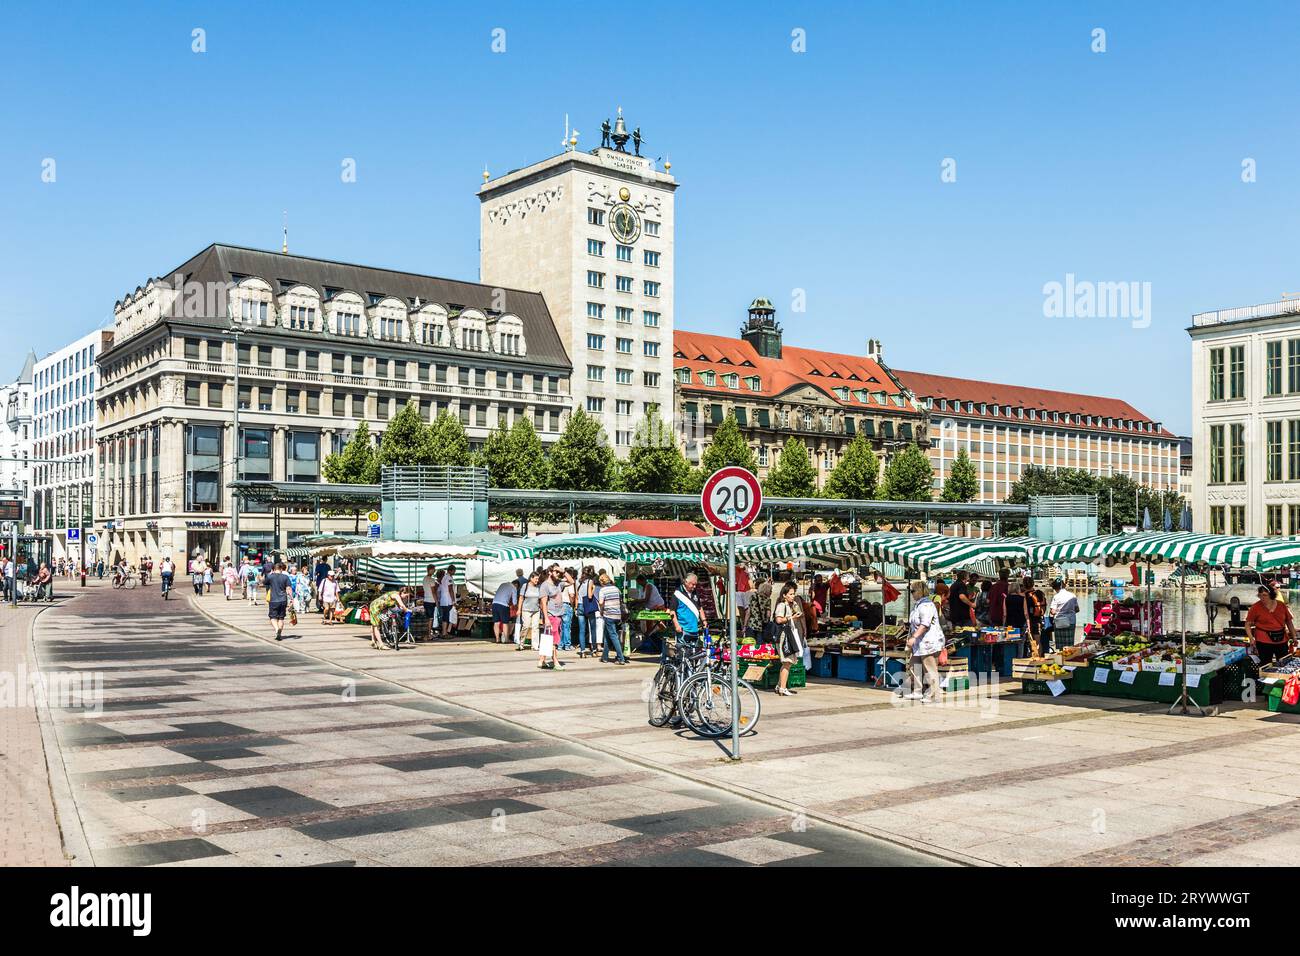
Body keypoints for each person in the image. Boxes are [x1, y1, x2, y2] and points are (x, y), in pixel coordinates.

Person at [903, 580, 945, 703]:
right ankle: (917, 691)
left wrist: (914, 637)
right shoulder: (918, 604)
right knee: (913, 665)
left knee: (929, 668)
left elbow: (925, 624)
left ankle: (933, 694)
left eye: (913, 591)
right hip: (919, 643)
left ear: (920, 591)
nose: (911, 593)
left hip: (928, 642)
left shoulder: (926, 605)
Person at [1246, 585, 1296, 665]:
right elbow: (1247, 624)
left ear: (1271, 595)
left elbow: (1289, 622)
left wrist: (1294, 637)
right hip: (1263, 640)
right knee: (1266, 664)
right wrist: (1251, 639)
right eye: (1260, 595)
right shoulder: (1255, 607)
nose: (1262, 598)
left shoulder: (1281, 605)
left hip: (1281, 639)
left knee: (1284, 663)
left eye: (1265, 595)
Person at [773, 581, 807, 697]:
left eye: (794, 594)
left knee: (788, 662)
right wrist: (791, 617)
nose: (793, 596)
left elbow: (798, 614)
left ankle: (779, 686)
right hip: (784, 636)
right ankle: (783, 688)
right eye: (791, 594)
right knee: (787, 662)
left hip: (788, 635)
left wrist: (795, 613)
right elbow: (778, 620)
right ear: (784, 595)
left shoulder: (789, 605)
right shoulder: (781, 605)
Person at [669, 572, 703, 664]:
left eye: (696, 584)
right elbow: (672, 611)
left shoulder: (695, 593)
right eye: (693, 584)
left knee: (694, 655)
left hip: (695, 629)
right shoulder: (677, 594)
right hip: (683, 629)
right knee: (683, 655)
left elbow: (700, 608)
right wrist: (676, 625)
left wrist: (704, 621)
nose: (694, 586)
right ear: (686, 582)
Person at [598, 571, 626, 664]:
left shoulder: (603, 590)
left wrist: (601, 611)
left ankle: (621, 658)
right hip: (617, 615)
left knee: (613, 636)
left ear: (602, 582)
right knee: (607, 635)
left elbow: (601, 603)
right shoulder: (616, 589)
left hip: (608, 615)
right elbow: (621, 601)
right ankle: (605, 657)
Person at [1047, 579, 1079, 652]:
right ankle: (1070, 660)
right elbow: (1077, 609)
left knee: (1061, 646)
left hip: (1059, 622)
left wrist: (1059, 612)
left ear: (1055, 588)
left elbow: (1052, 611)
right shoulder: (1072, 595)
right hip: (1071, 621)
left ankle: (1061, 659)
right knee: (1069, 645)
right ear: (1063, 585)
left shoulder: (1056, 597)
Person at [264, 562, 293, 641]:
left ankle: (277, 630)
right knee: (281, 618)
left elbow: (264, 582)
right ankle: (280, 630)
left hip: (273, 600)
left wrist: (270, 574)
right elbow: (289, 589)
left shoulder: (270, 577)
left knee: (273, 617)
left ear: (274, 569)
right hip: (283, 600)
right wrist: (291, 599)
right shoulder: (285, 577)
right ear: (281, 569)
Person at [576, 567, 600, 658]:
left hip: (580, 606)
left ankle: (582, 651)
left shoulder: (579, 582)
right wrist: (594, 588)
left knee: (582, 630)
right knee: (592, 629)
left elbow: (577, 597)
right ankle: (594, 650)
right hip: (588, 606)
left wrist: (576, 608)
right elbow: (590, 596)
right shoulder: (590, 581)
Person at [516, 570, 542, 651]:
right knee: (526, 626)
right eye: (536, 579)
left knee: (535, 627)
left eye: (538, 579)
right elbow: (521, 598)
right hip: (526, 609)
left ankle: (535, 645)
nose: (537, 580)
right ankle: (521, 643)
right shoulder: (525, 586)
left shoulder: (539, 587)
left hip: (536, 610)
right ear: (531, 578)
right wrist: (519, 610)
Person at [491, 577, 518, 644]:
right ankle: (506, 639)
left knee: (496, 622)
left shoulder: (502, 584)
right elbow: (514, 602)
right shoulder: (514, 588)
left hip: (494, 603)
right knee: (505, 623)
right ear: (516, 585)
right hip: (503, 605)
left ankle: (497, 639)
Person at [559, 569, 577, 651]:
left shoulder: (559, 582)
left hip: (559, 605)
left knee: (561, 626)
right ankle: (567, 645)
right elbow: (572, 595)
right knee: (567, 626)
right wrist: (572, 605)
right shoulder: (570, 583)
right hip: (566, 604)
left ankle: (560, 644)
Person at [437, 568, 456, 638]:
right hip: (448, 601)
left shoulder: (443, 578)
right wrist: (453, 600)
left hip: (443, 600)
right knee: (446, 617)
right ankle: (445, 633)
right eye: (454, 570)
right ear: (450, 570)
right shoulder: (448, 578)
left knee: (445, 616)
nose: (454, 572)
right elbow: (450, 589)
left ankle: (444, 632)